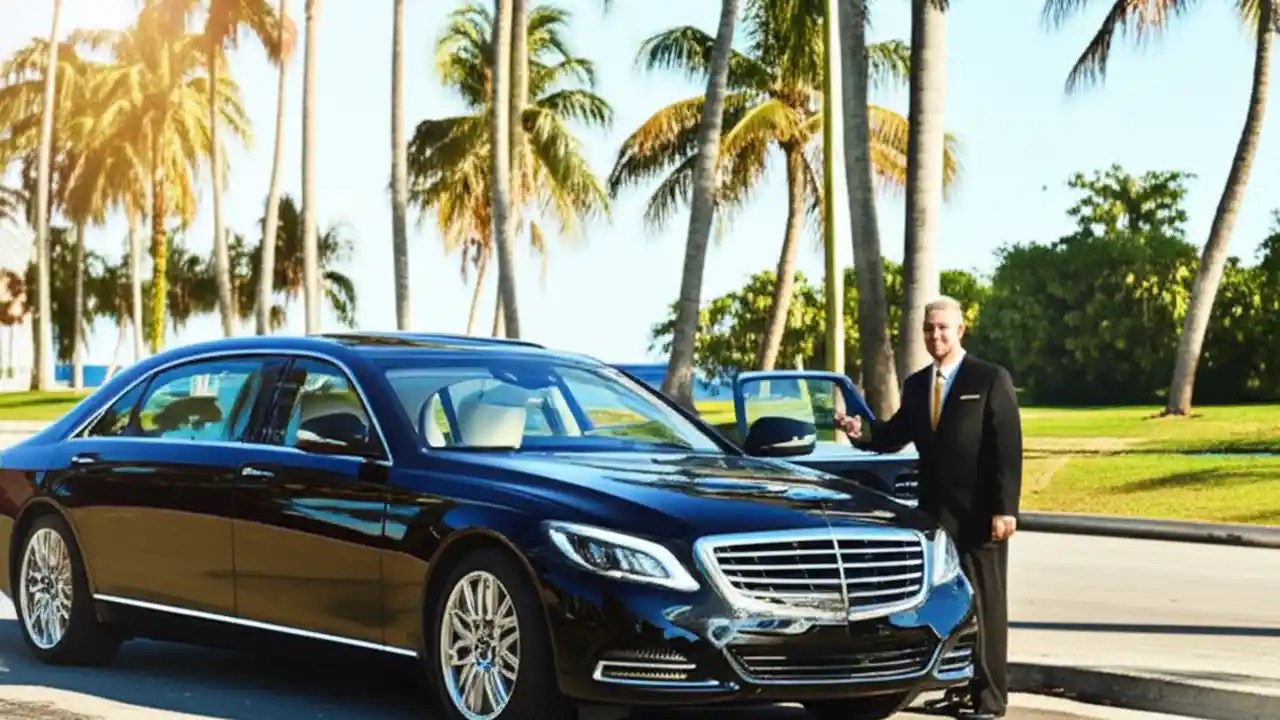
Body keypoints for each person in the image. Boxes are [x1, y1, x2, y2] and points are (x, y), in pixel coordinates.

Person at [835, 296, 1022, 720]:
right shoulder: (918, 384)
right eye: (928, 328)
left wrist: (1005, 509)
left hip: (981, 516)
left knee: (988, 606)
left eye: (942, 327)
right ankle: (956, 689)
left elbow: (1007, 449)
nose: (935, 335)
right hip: (935, 517)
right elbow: (893, 435)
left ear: (960, 330)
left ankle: (991, 699)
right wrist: (859, 431)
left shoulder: (989, 378)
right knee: (950, 607)